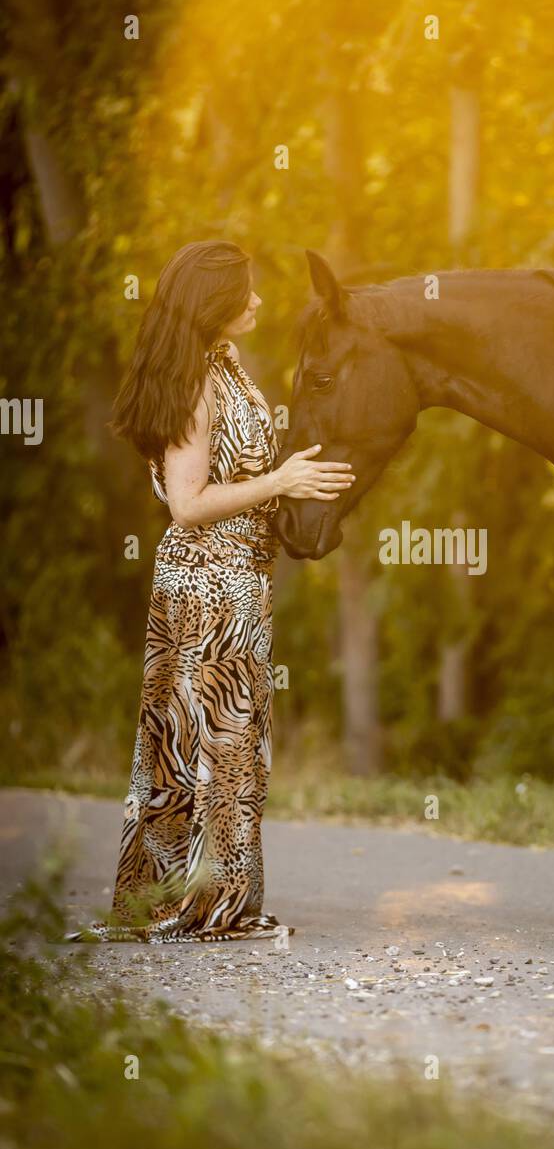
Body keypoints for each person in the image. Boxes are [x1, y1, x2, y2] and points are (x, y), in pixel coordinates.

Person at [66, 240, 354, 942]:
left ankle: (201, 900)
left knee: (216, 743)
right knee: (215, 747)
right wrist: (280, 483)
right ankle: (208, 908)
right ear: (213, 303)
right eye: (245, 293)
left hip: (237, 581)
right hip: (208, 585)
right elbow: (187, 502)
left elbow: (232, 469)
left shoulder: (221, 367)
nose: (257, 302)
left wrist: (289, 481)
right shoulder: (195, 380)